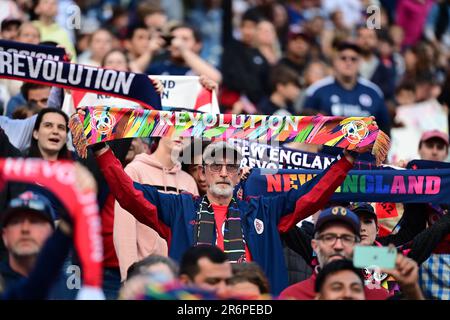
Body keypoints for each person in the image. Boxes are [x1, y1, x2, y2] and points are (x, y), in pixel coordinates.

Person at [92, 140, 357, 295]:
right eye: (215, 167)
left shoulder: (265, 209)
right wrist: (103, 153)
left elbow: (312, 195)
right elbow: (129, 193)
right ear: (202, 174)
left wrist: (345, 160)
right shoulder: (180, 208)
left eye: (230, 167)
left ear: (239, 174)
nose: (222, 173)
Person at [113, 136, 198, 282]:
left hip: (179, 277)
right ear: (161, 130)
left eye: (188, 130)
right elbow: (124, 230)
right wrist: (128, 277)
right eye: (176, 126)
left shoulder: (188, 180)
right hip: (144, 274)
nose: (182, 134)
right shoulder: (135, 170)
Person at [279, 206, 390, 299]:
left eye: (346, 238)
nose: (338, 246)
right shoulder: (293, 296)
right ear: (315, 246)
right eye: (329, 238)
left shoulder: (379, 296)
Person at [302, 41, 391, 135]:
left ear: (360, 63)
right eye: (343, 58)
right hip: (325, 149)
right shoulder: (317, 90)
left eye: (353, 59)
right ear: (335, 61)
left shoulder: (374, 92)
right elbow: (304, 127)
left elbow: (384, 130)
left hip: (363, 149)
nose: (348, 63)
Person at [146, 23, 221, 83]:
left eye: (185, 39)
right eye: (173, 38)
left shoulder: (206, 67)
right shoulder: (157, 68)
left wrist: (184, 50)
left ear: (198, 45)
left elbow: (216, 79)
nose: (176, 43)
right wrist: (149, 52)